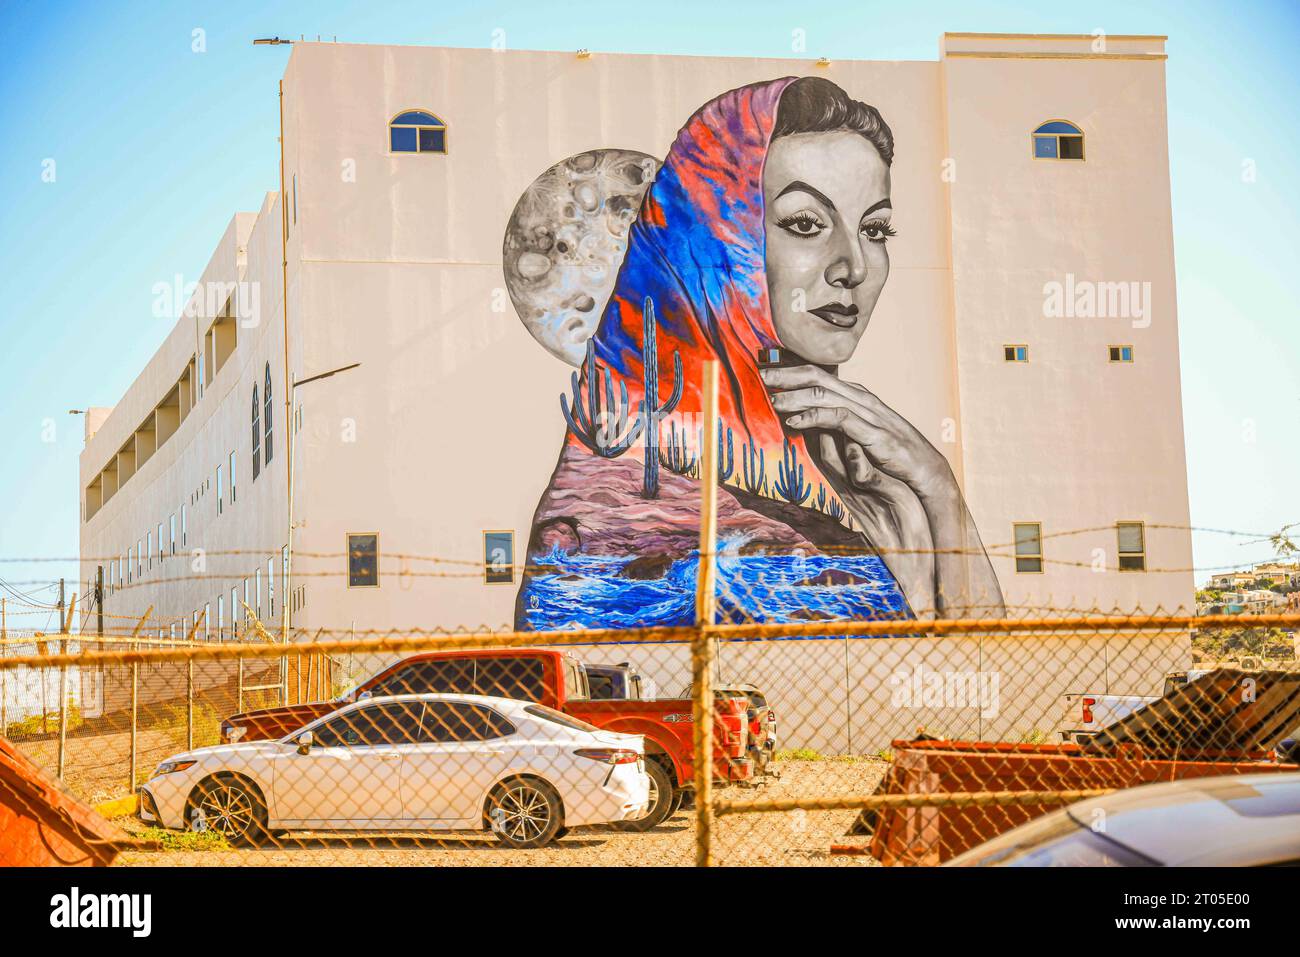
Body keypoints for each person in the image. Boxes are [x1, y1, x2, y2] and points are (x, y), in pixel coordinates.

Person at [516, 76, 1003, 630]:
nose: (855, 267)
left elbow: (981, 676)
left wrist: (937, 486)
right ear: (720, 244)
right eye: (805, 224)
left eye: (875, 229)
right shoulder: (619, 500)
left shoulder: (866, 473)